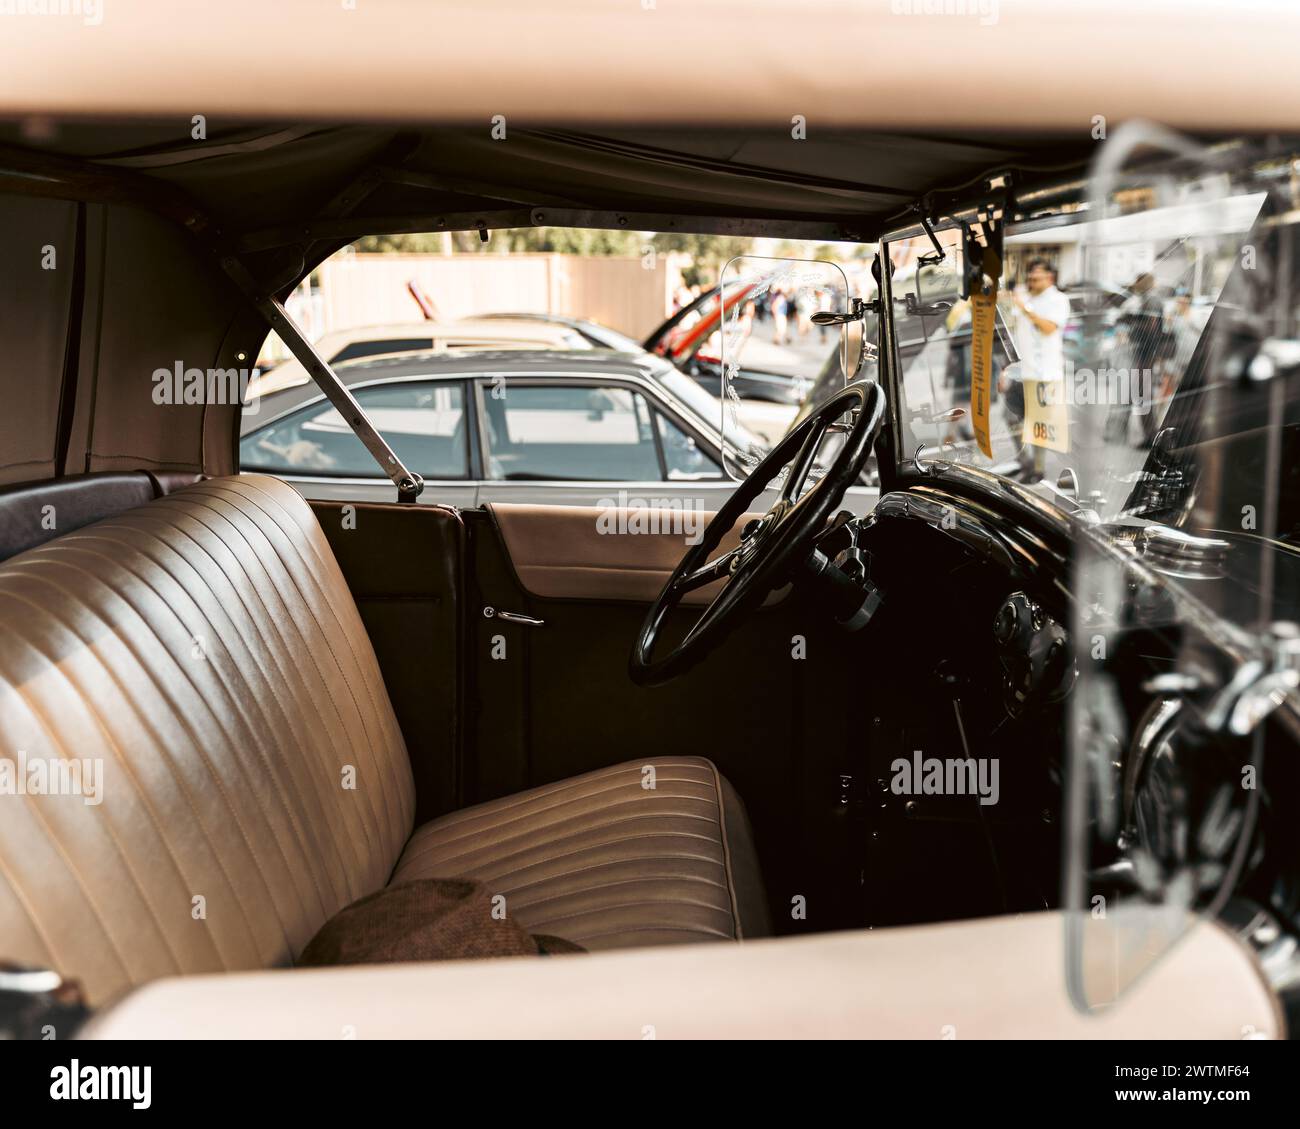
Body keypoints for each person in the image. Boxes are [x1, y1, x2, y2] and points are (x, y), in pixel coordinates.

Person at [999, 258, 1070, 479]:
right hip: (1022, 372)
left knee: (1038, 423)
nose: (1031, 281)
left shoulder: (1058, 300)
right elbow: (1015, 338)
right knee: (1010, 416)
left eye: (1036, 278)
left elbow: (1049, 328)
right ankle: (1025, 461)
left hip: (1045, 374)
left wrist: (1024, 307)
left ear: (1050, 278)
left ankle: (1038, 470)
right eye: (1029, 277)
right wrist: (1006, 369)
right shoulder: (1027, 298)